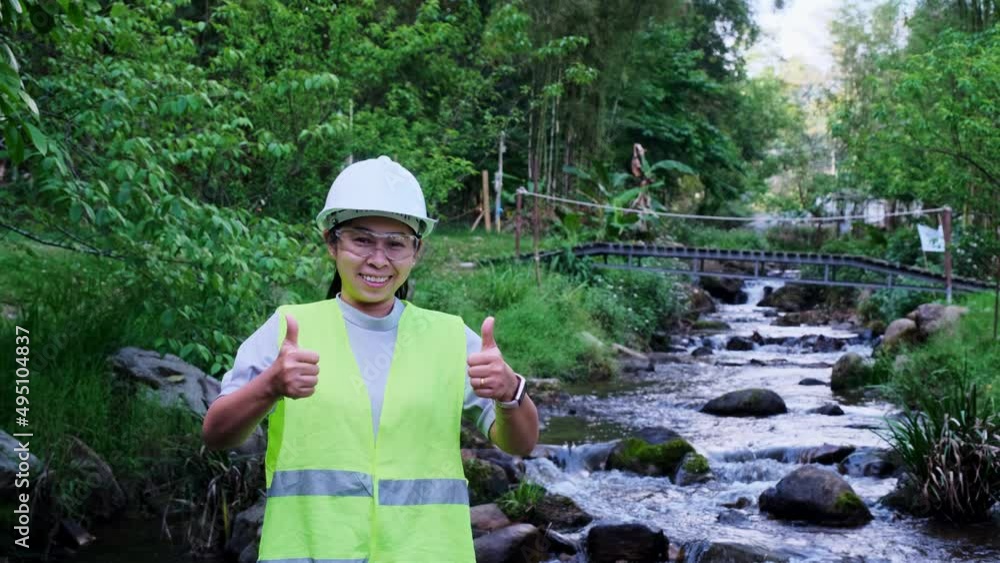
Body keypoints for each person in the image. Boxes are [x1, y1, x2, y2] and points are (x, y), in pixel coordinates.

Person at [201, 156, 539, 563]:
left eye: (395, 243)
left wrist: (510, 392)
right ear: (332, 243)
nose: (378, 259)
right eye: (361, 240)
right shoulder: (289, 329)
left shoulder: (451, 338)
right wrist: (269, 387)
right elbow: (217, 435)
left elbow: (522, 443)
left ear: (416, 251)